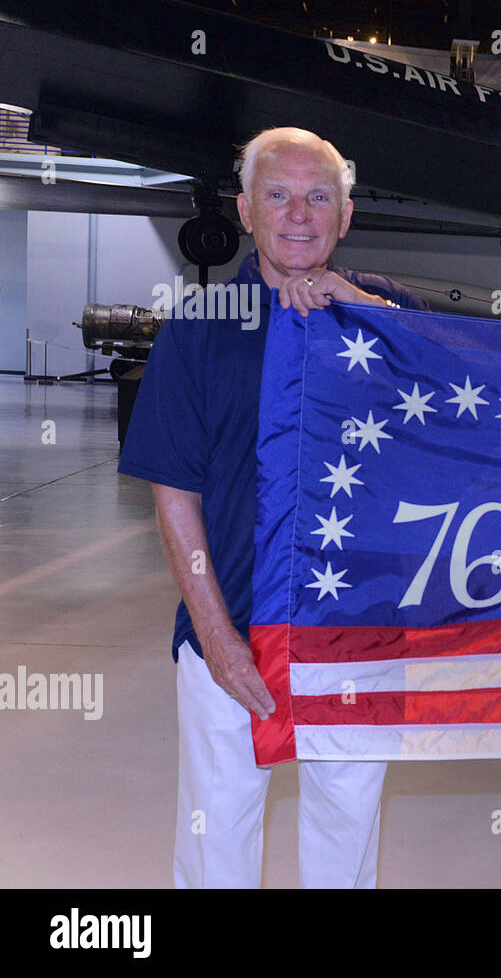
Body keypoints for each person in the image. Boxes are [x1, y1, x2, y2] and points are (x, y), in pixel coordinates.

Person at [119, 127, 428, 887]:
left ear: (346, 214)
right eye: (278, 194)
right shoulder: (199, 329)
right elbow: (175, 493)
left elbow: (462, 398)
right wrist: (218, 636)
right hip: (232, 632)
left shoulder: (392, 315)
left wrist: (356, 304)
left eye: (318, 195)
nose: (299, 214)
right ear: (245, 210)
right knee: (218, 831)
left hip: (356, 630)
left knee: (346, 826)